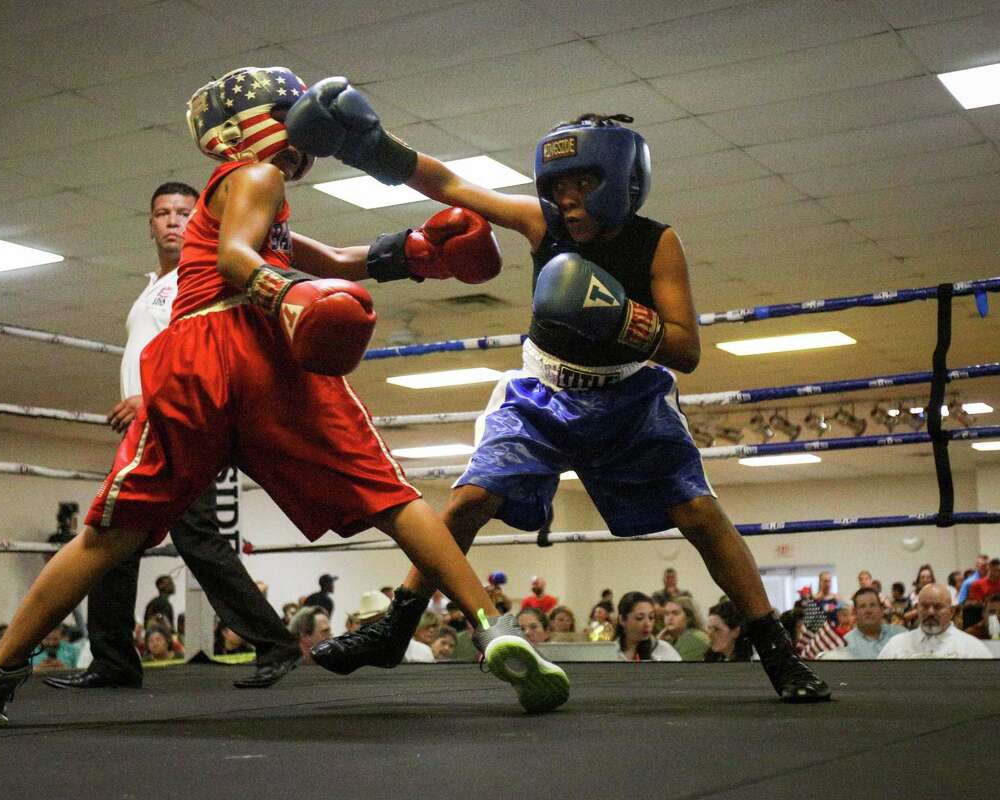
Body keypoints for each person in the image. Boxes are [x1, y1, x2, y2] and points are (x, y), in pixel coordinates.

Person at [0, 66, 567, 725]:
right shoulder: (254, 175)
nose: (310, 140)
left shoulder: (247, 190)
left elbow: (329, 258)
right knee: (392, 499)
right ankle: (497, 631)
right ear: (256, 127)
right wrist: (288, 297)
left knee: (108, 534)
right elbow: (240, 259)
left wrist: (412, 253)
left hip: (190, 365)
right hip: (253, 345)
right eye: (297, 120)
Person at [291, 82, 829, 702]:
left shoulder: (658, 242)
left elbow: (687, 350)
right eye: (559, 187)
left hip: (630, 398)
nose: (568, 201)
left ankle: (778, 653)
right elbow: (450, 186)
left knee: (700, 514)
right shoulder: (539, 221)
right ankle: (396, 626)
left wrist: (619, 316)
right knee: (467, 501)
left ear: (623, 179)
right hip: (542, 394)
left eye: (583, 185)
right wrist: (368, 146)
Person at [43, 182, 304, 694]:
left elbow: (196, 351)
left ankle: (275, 642)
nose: (172, 221)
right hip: (151, 428)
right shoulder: (151, 288)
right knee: (114, 536)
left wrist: (150, 397)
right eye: (162, 213)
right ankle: (114, 658)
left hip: (182, 419)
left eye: (184, 212)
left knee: (192, 535)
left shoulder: (199, 277)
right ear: (150, 223)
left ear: (201, 220)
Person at [878, 584, 992, 659]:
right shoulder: (896, 645)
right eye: (925, 606)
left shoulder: (972, 649)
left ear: (951, 611)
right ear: (917, 608)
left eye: (938, 607)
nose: (930, 612)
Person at [614, 591, 680, 662]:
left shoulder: (663, 650)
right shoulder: (610, 652)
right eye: (640, 618)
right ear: (622, 620)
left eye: (651, 617)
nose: (648, 624)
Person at [840, 587, 904, 659]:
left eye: (872, 605)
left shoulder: (900, 634)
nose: (868, 611)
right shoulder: (846, 644)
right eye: (862, 606)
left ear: (881, 610)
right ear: (855, 613)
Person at [659, 596, 709, 661]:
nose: (670, 618)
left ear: (688, 617)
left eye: (675, 613)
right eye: (666, 614)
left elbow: (669, 668)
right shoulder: (673, 639)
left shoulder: (693, 639)